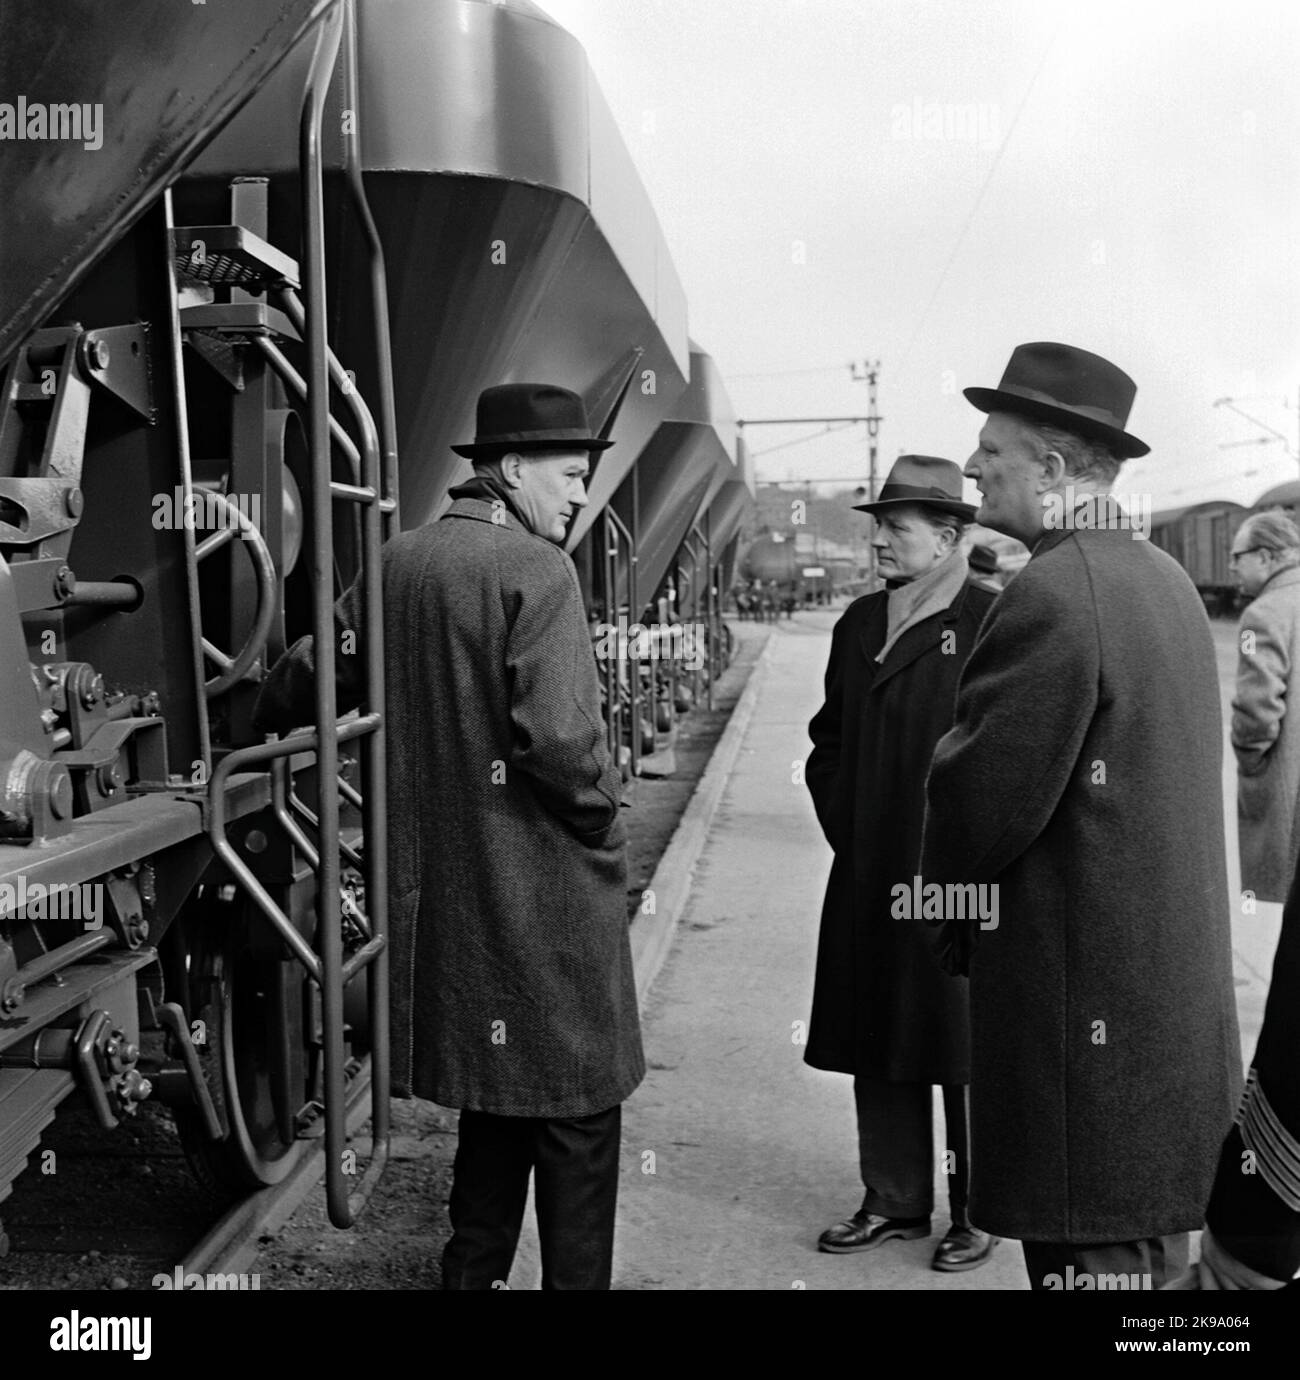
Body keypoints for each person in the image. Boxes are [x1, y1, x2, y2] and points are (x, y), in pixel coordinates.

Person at [254, 383, 644, 1290]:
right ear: (512, 471)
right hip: (546, 895)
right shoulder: (538, 571)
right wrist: (605, 821)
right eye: (572, 476)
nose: (581, 496)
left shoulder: (401, 561)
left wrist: (241, 721)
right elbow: (562, 744)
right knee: (580, 1118)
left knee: (495, 1110)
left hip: (455, 912)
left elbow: (318, 672)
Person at [919, 342, 1241, 1291]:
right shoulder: (1163, 582)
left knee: (1095, 1266)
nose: (973, 468)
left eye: (994, 452)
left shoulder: (1057, 593)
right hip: (1154, 1023)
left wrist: (944, 917)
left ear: (1055, 473)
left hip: (1082, 1021)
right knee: (1149, 1267)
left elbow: (981, 796)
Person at [804, 455, 998, 1272]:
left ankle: (979, 1210)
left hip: (952, 872)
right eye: (877, 527)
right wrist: (849, 820)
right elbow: (829, 741)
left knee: (958, 1045)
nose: (878, 541)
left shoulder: (994, 619)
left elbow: (1006, 751)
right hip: (869, 868)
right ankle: (893, 1199)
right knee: (878, 1026)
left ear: (948, 537)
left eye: (896, 528)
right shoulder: (858, 623)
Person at [1229, 510, 1300, 905]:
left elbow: (1256, 708)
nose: (1231, 566)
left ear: (1267, 557)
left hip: (1286, 785)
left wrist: (1251, 761)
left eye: (1237, 556)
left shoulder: (1263, 615)